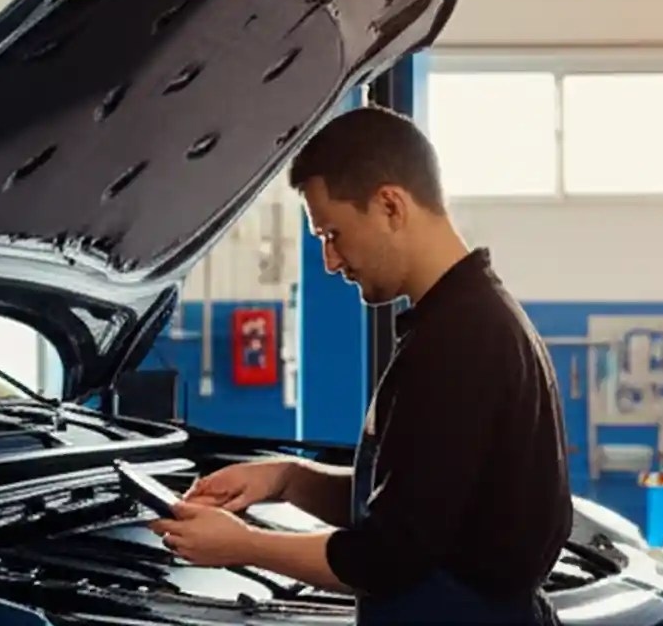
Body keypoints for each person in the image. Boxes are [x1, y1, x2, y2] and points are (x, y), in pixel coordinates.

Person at [148, 106, 573, 625]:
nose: (330, 262)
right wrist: (287, 478)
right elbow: (418, 502)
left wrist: (245, 546)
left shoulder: (461, 341)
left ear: (390, 206)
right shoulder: (467, 321)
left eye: (332, 234)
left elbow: (390, 555)